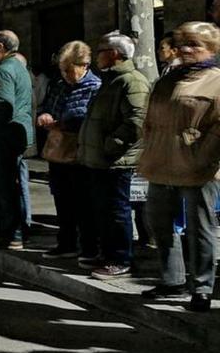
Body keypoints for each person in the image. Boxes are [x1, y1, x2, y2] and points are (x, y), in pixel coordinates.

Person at [138, 22, 220, 310]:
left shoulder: (216, 81)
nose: (186, 49)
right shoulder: (168, 79)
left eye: (194, 44)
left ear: (211, 49)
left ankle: (202, 287)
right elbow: (150, 121)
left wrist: (201, 156)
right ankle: (172, 281)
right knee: (158, 222)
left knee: (201, 228)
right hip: (161, 163)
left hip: (198, 169)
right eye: (183, 43)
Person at [77, 32, 150, 279]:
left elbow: (137, 121)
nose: (97, 55)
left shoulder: (132, 82)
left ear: (114, 54)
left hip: (118, 162)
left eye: (101, 50)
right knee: (104, 211)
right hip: (101, 161)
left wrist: (111, 145)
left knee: (117, 212)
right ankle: (108, 254)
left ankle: (121, 259)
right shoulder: (110, 81)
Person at [36, 42, 102, 261]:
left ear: (84, 65)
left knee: (84, 203)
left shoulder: (95, 87)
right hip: (58, 151)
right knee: (62, 200)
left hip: (80, 153)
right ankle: (66, 243)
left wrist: (65, 124)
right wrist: (44, 116)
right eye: (62, 69)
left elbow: (92, 121)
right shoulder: (59, 85)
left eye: (68, 69)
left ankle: (90, 247)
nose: (65, 74)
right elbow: (47, 106)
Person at [0, 30, 34, 250]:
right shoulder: (19, 68)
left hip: (4, 136)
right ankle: (13, 231)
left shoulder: (4, 70)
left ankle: (13, 233)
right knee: (12, 185)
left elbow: (4, 107)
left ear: (0, 47)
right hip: (14, 134)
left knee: (5, 187)